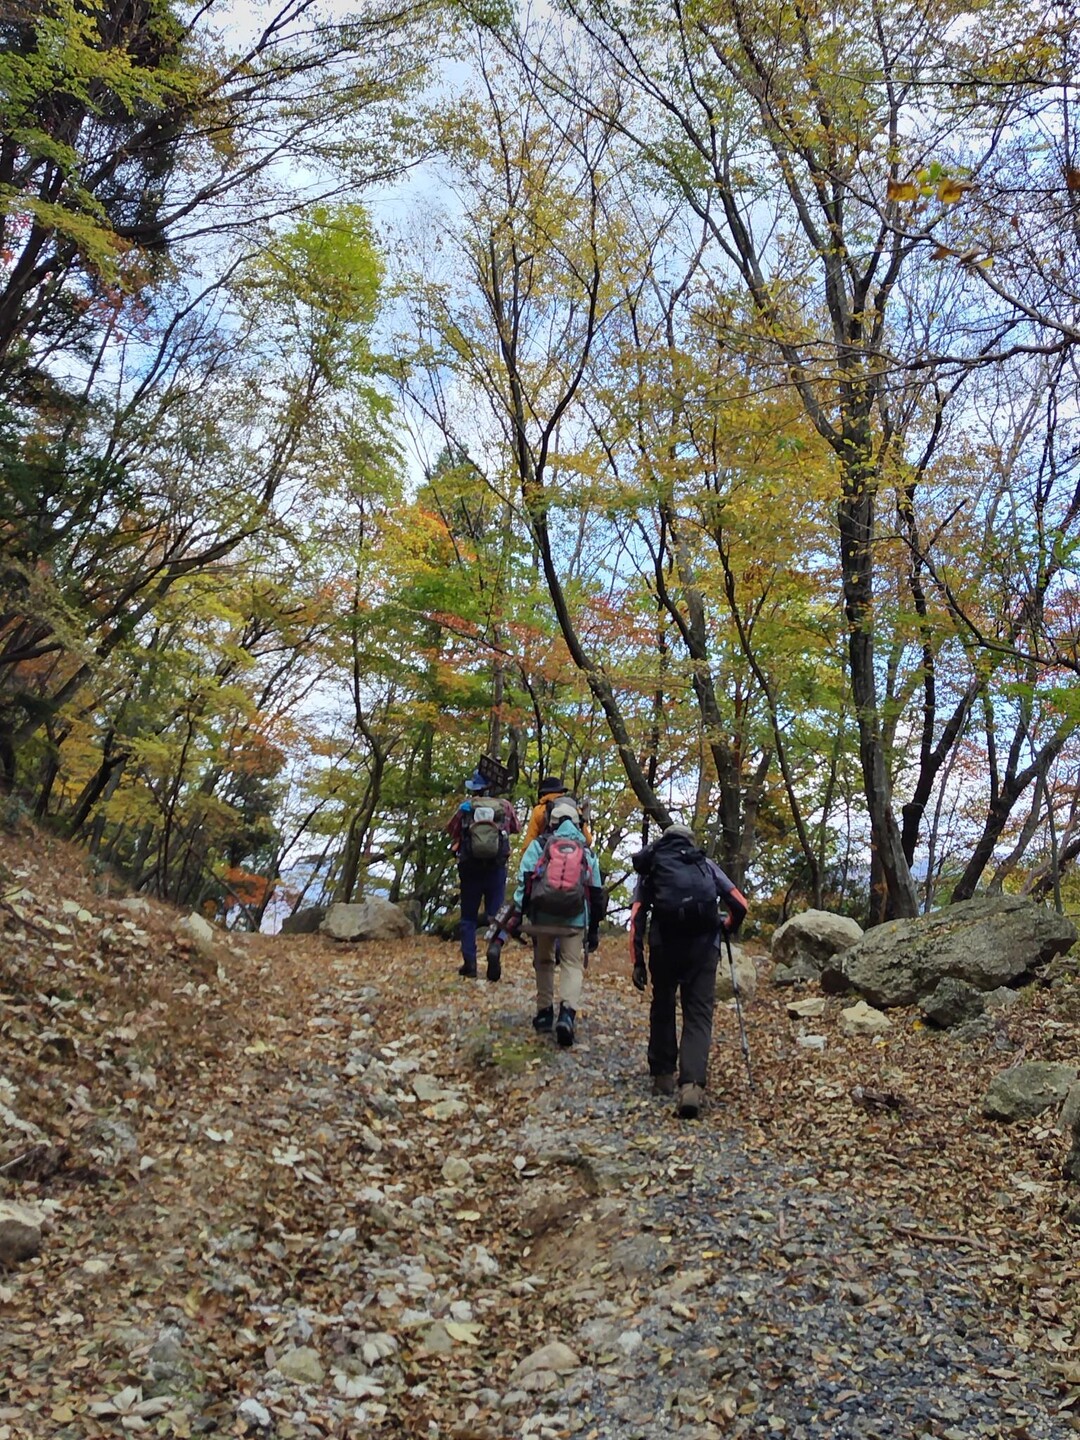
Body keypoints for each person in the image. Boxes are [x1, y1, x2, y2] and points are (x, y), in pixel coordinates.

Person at [629, 822, 747, 1119]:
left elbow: (637, 917)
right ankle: (691, 1086)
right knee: (698, 1012)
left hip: (664, 946)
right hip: (703, 948)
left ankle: (663, 1076)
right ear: (691, 842)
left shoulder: (652, 867)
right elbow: (740, 904)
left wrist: (638, 962)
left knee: (663, 1005)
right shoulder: (704, 864)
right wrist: (726, 927)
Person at [513, 797, 604, 1047]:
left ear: (551, 823)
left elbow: (526, 881)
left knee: (543, 962)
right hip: (575, 919)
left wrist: (519, 913)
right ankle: (566, 1014)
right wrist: (593, 929)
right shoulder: (585, 850)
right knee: (572, 964)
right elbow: (596, 892)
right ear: (576, 823)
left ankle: (544, 1014)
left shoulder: (540, 845)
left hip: (542, 917)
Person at [446, 771, 519, 981]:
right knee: (497, 915)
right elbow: (516, 827)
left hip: (470, 868)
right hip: (496, 867)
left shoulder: (466, 807)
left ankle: (470, 963)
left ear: (476, 788)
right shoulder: (505, 806)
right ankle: (494, 949)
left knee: (468, 917)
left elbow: (452, 829)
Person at [519, 775, 594, 851]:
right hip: (574, 857)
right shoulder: (574, 809)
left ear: (543, 794)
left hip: (548, 858)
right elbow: (588, 841)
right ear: (561, 792)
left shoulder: (539, 810)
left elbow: (529, 844)